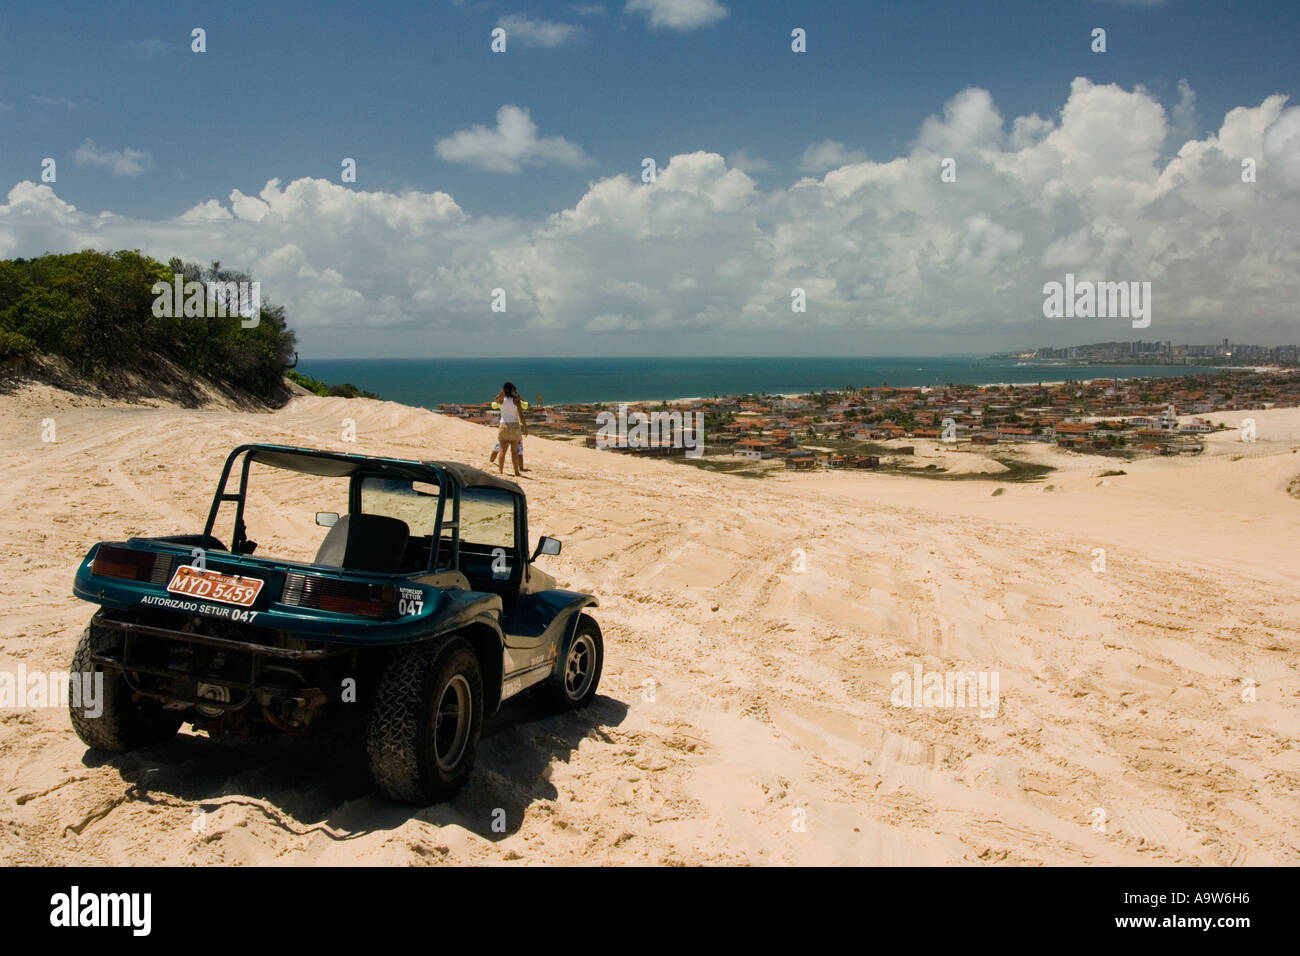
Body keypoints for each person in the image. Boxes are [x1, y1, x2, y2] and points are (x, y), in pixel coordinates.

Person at [493, 382, 527, 476]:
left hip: (504, 425)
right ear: (513, 390)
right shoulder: (516, 401)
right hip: (515, 426)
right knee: (514, 452)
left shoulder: (501, 400)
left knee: (502, 451)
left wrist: (501, 393)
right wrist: (525, 427)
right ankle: (516, 472)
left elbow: (494, 401)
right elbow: (521, 415)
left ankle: (500, 471)